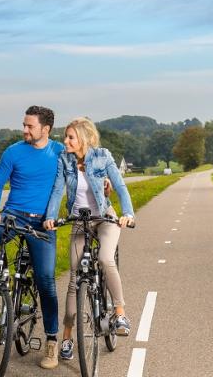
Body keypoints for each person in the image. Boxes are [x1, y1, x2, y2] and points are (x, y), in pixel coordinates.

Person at [0, 105, 65, 369]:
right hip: (11, 216)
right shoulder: (13, 152)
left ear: (45, 129)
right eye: (23, 125)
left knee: (45, 280)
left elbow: (80, 172)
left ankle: (51, 341)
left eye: (30, 126)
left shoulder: (59, 152)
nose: (24, 129)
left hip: (42, 224)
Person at [42, 117, 135, 361]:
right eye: (66, 136)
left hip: (105, 218)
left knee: (105, 257)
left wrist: (127, 214)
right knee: (74, 277)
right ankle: (67, 337)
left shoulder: (103, 156)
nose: (66, 141)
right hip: (78, 221)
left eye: (71, 137)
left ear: (84, 138)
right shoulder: (65, 159)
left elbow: (120, 186)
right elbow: (57, 190)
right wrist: (51, 217)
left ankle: (120, 313)